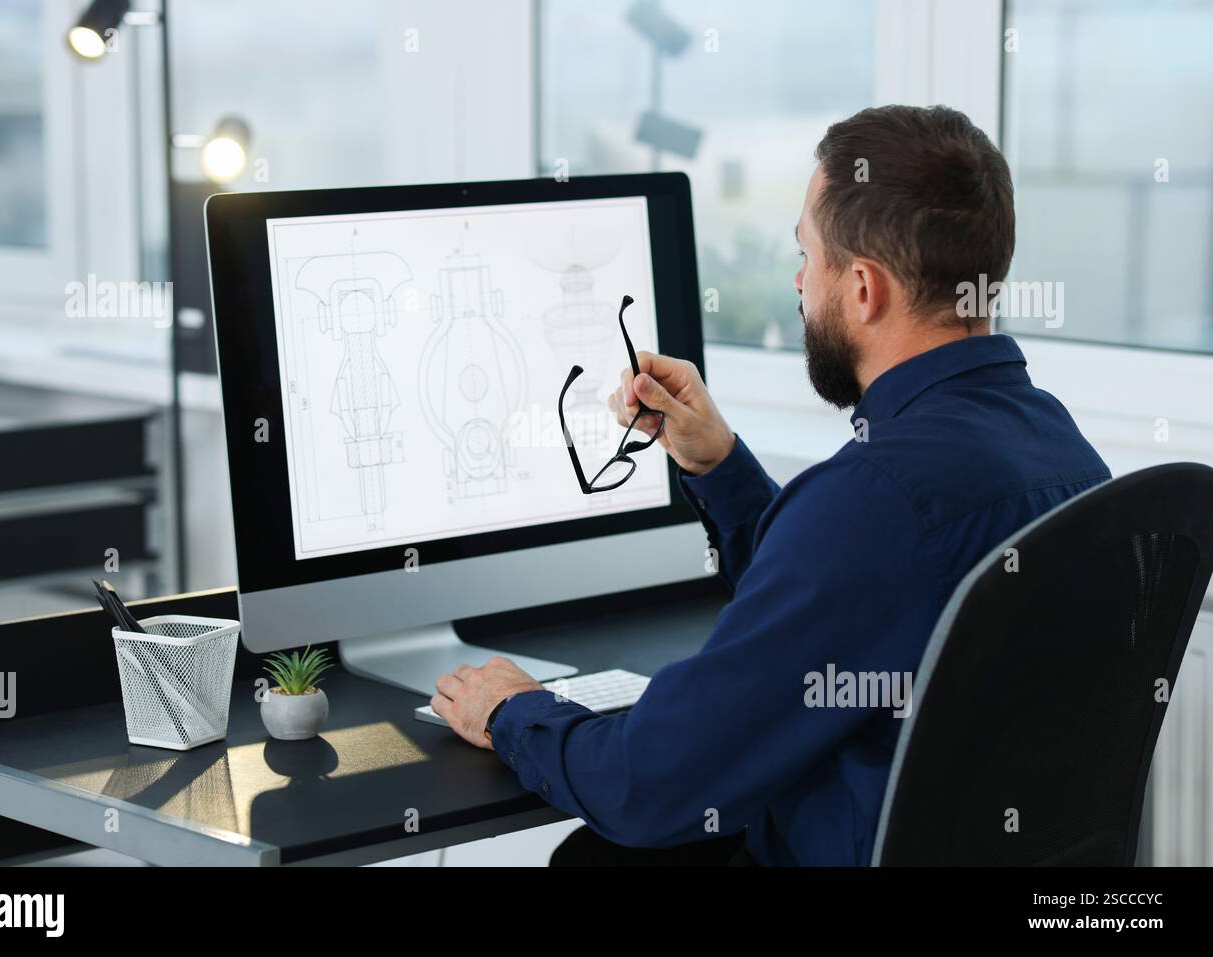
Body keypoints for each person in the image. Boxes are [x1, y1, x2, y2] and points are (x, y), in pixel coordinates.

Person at [429, 104, 1111, 866]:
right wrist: (719, 465)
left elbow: (646, 784)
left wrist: (512, 711)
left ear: (862, 289)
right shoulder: (1065, 452)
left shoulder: (875, 498)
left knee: (599, 856)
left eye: (806, 255)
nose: (796, 283)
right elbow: (849, 608)